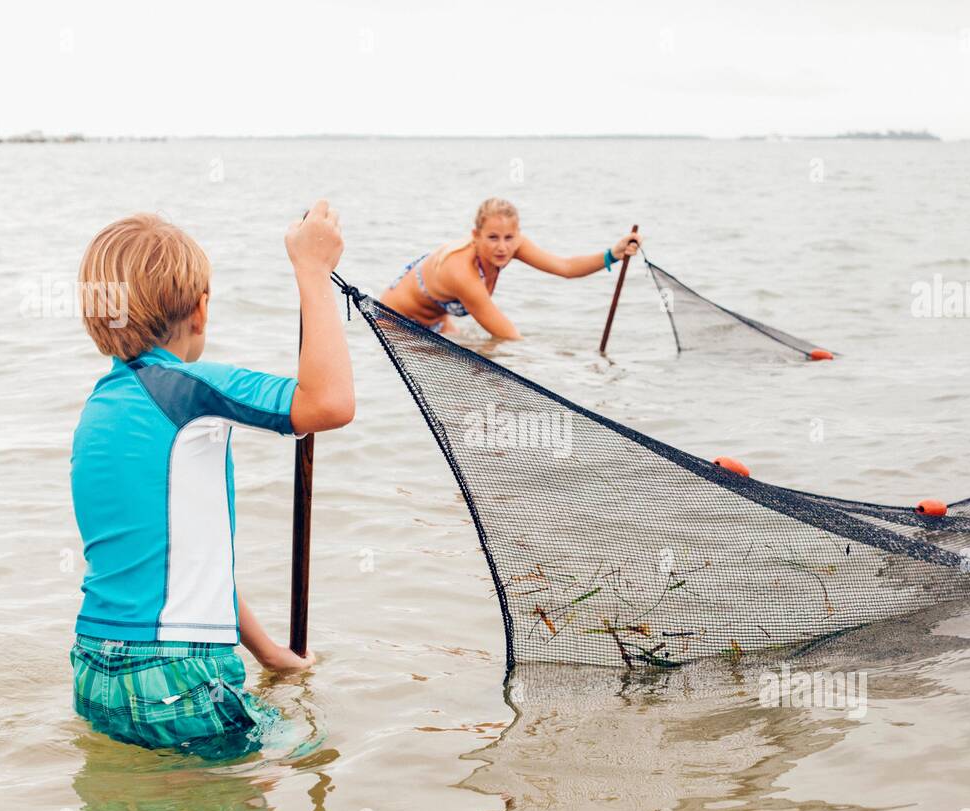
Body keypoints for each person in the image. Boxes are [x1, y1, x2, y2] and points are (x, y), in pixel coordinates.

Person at [68, 203, 352, 757]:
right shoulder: (189, 390)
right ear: (200, 310)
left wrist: (270, 655)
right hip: (178, 677)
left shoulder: (97, 410)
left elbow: (184, 565)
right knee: (313, 751)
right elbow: (331, 402)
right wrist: (313, 273)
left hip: (95, 671)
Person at [382, 198, 640, 339]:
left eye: (509, 238)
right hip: (395, 321)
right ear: (476, 235)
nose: (502, 248)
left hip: (437, 321)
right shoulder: (461, 270)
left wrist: (612, 254)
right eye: (493, 238)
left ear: (518, 235)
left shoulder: (513, 246)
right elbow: (508, 335)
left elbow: (566, 267)